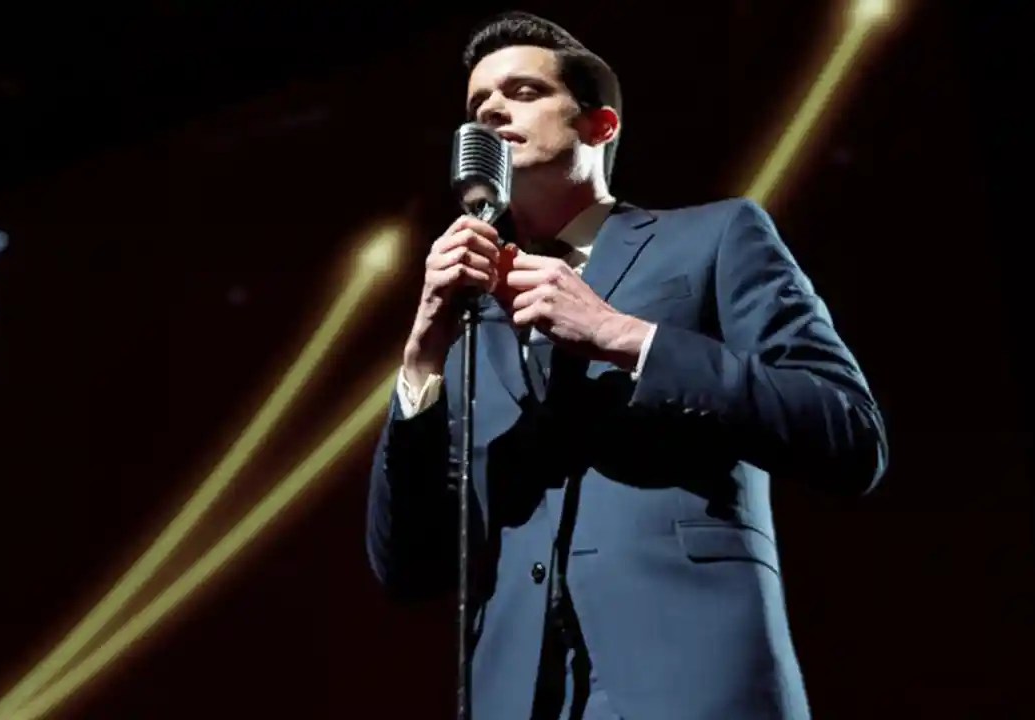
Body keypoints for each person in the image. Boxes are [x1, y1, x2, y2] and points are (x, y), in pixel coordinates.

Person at [365, 10, 887, 719]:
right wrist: (422, 353)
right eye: (476, 107)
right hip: (521, 696)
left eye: (520, 93)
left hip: (691, 679)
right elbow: (407, 565)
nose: (489, 112)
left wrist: (623, 336)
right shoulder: (469, 326)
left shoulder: (716, 236)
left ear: (599, 126)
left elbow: (850, 435)